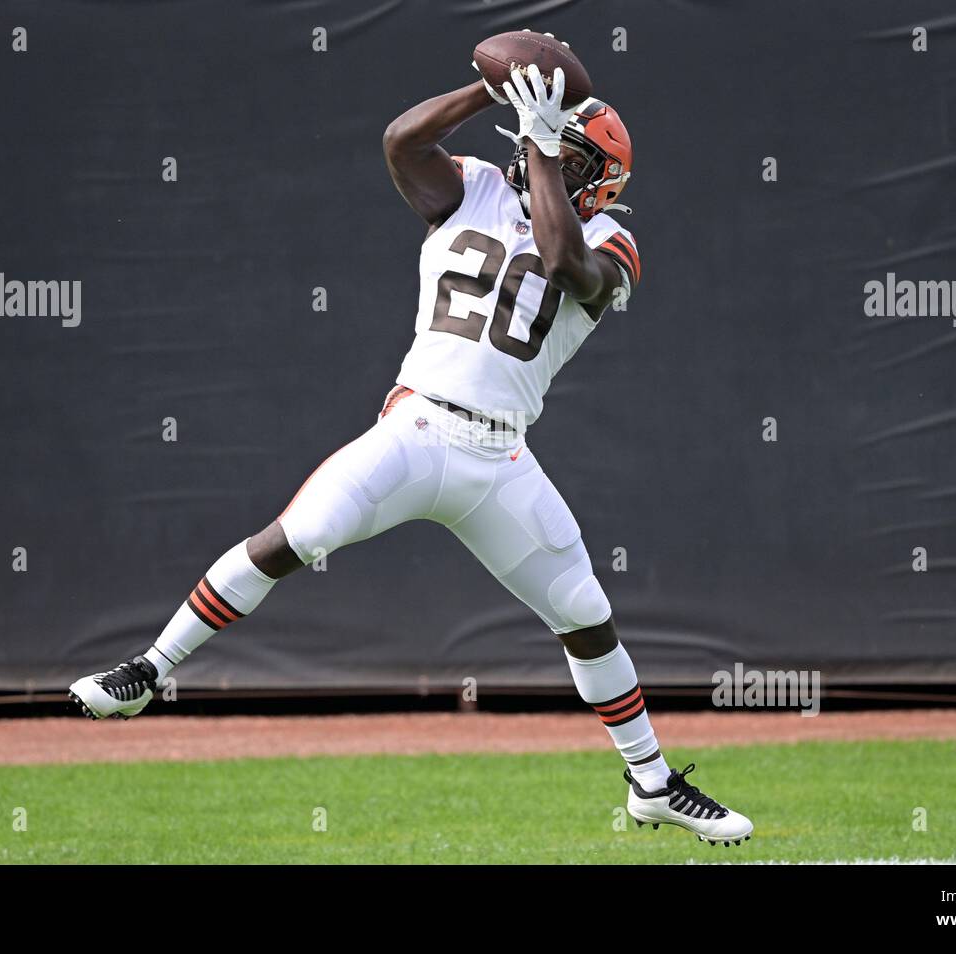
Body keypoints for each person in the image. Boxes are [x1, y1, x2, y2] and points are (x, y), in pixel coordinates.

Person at [71, 59, 753, 845]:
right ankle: (148, 672)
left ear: (591, 177)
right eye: (545, 144)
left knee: (585, 611)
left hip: (500, 457)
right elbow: (401, 141)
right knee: (296, 538)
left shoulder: (612, 241)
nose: (541, 154)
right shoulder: (473, 189)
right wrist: (486, 92)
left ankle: (653, 784)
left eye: (566, 153)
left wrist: (540, 150)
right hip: (418, 426)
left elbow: (567, 266)